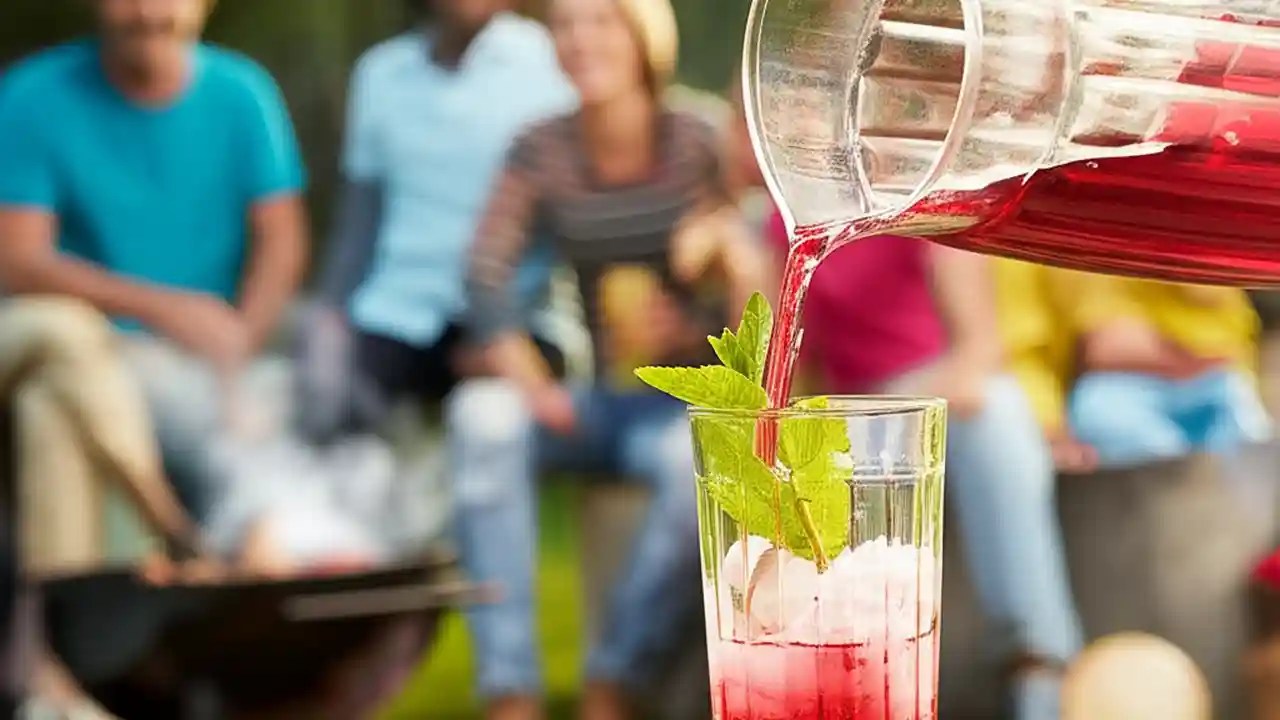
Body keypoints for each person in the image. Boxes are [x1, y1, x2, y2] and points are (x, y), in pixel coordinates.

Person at [447, 0, 762, 716]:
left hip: (681, 402)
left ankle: (613, 682)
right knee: (481, 418)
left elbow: (750, 279)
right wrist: (533, 383)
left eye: (601, 22)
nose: (580, 40)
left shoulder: (697, 135)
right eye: (565, 25)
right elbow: (483, 274)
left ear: (643, 35)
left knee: (699, 469)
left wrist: (704, 283)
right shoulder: (541, 147)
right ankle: (510, 690)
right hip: (600, 400)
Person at [305, 0, 578, 441]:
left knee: (486, 423)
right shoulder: (379, 75)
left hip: (514, 321)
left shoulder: (554, 63)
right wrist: (327, 319)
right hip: (397, 318)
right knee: (331, 412)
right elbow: (357, 231)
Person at [1065, 277, 1269, 467]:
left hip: (1216, 386)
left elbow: (1229, 346)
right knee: (1102, 408)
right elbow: (1104, 346)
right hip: (1120, 396)